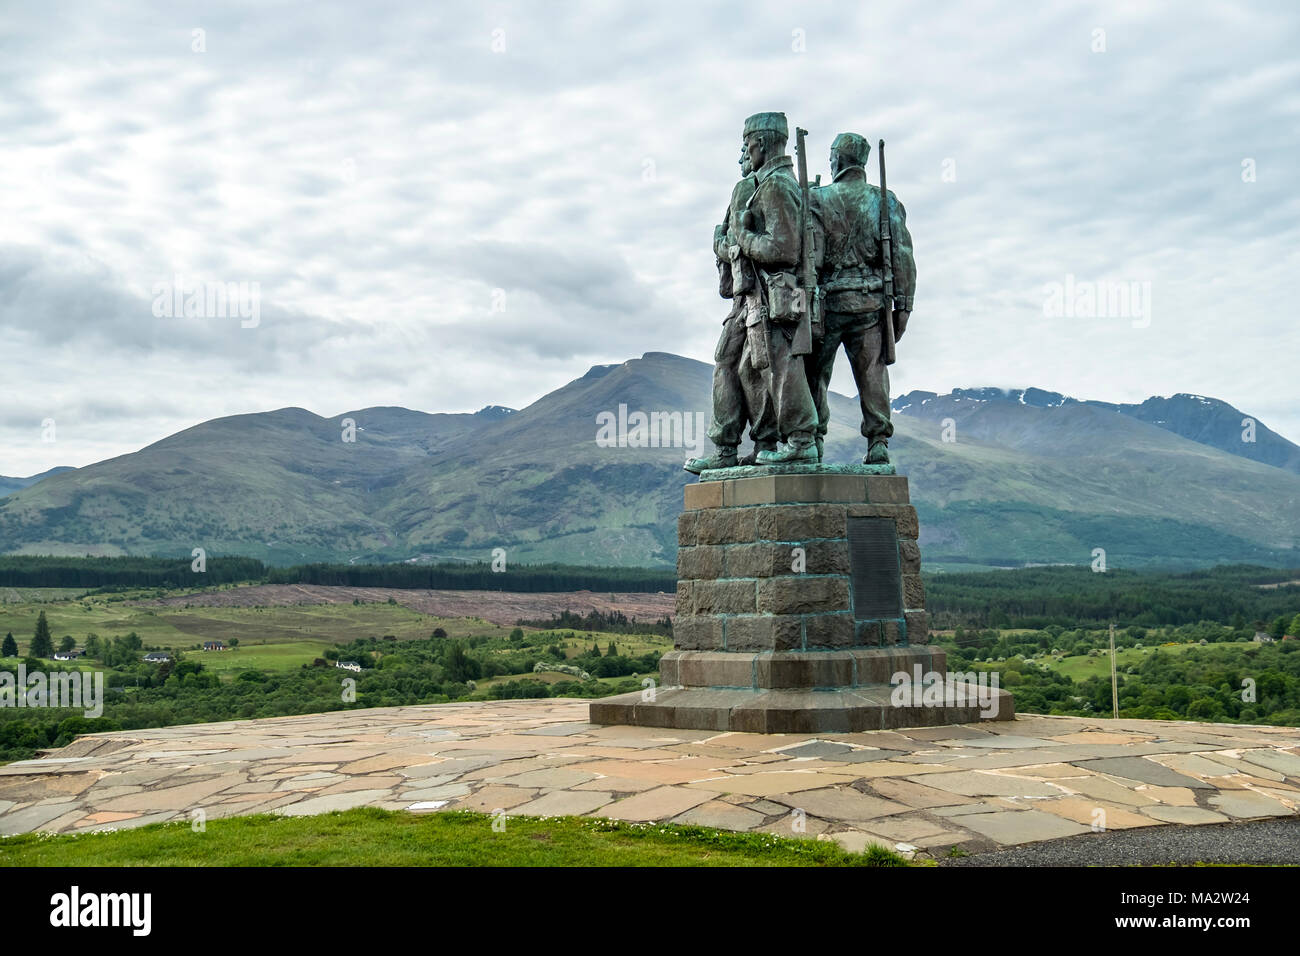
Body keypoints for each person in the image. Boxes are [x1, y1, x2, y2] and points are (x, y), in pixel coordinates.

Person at [807, 132, 916, 464]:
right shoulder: (885, 200)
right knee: (873, 374)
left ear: (838, 160)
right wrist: (904, 306)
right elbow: (902, 257)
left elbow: (805, 256)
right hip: (870, 305)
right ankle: (878, 441)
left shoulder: (816, 199)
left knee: (814, 375)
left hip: (827, 305)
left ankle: (812, 440)